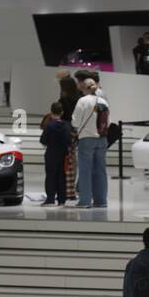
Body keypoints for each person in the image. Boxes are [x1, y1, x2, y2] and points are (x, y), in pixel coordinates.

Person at [70, 77, 109, 208]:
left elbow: (75, 121)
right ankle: (101, 200)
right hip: (102, 139)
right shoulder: (104, 101)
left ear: (84, 88)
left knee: (85, 171)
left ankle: (85, 201)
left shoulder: (83, 101)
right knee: (100, 171)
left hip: (86, 139)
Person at [52, 71, 81, 200]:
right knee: (73, 161)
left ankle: (66, 190)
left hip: (66, 131)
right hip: (78, 130)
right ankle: (72, 189)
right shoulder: (80, 98)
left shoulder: (63, 100)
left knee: (65, 161)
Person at [39, 101, 71, 206]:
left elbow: (43, 140)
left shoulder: (49, 126)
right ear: (62, 112)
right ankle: (62, 199)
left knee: (50, 176)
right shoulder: (67, 126)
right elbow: (69, 141)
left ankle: (50, 198)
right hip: (63, 154)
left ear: (51, 112)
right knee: (62, 175)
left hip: (51, 154)